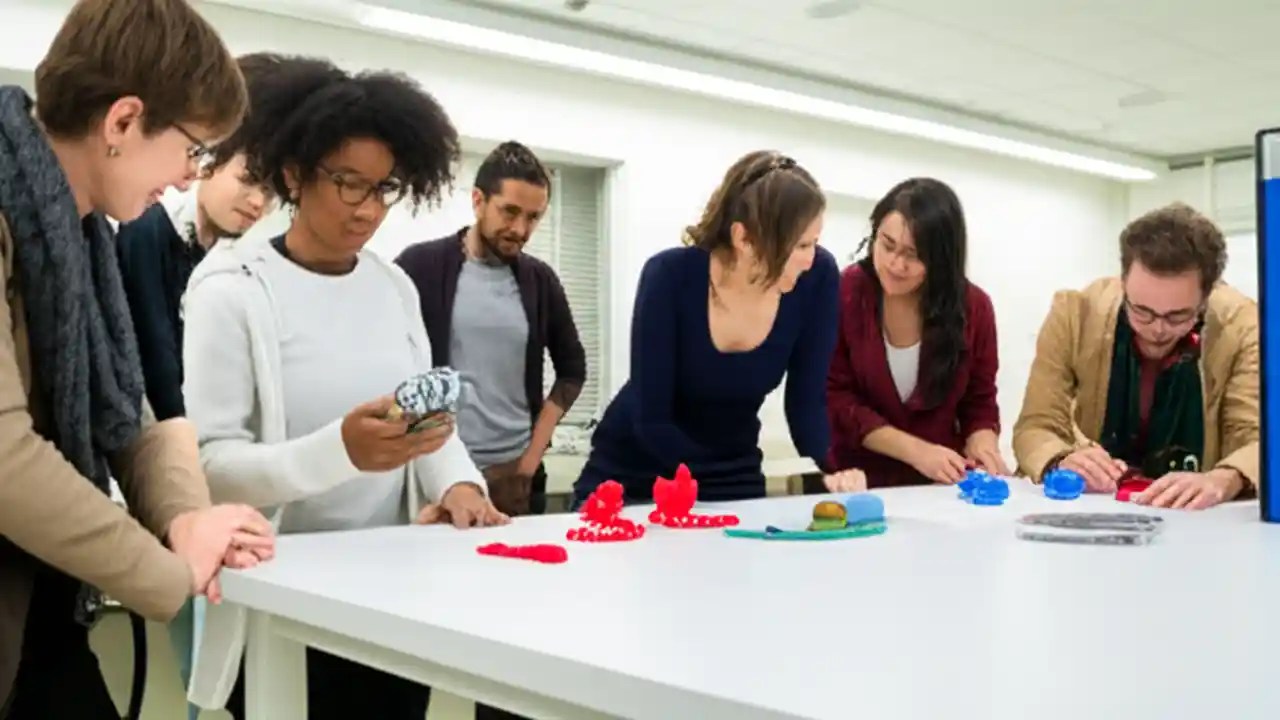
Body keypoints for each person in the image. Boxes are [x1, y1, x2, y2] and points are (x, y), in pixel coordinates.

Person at [181, 55, 508, 720]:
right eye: (348, 184)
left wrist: (460, 485)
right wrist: (344, 452)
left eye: (384, 188)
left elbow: (424, 421)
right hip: (281, 597)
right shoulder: (232, 289)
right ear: (295, 174)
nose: (368, 209)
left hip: (388, 597)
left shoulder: (394, 288)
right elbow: (210, 470)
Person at [0, 0, 275, 717]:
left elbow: (132, 411)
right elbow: (3, 457)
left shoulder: (84, 239)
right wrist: (167, 570)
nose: (188, 178)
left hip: (44, 616)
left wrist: (186, 517)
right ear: (122, 122)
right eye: (191, 148)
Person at [573, 150, 864, 506]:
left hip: (732, 471)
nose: (810, 257)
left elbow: (807, 403)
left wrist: (833, 466)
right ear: (744, 239)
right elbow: (652, 419)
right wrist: (708, 487)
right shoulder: (670, 277)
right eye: (800, 245)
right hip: (636, 469)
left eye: (814, 243)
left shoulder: (816, 278)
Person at [1013, 203, 1258, 509]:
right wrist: (1061, 458)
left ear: (1207, 296)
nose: (1157, 330)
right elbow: (1035, 425)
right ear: (1123, 279)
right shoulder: (1075, 314)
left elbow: (1258, 440)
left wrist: (1224, 479)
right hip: (1092, 509)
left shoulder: (1246, 327)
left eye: (1177, 317)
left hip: (1193, 519)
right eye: (1141, 311)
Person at [397, 141, 587, 519]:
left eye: (533, 217)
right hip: (437, 475)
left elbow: (572, 370)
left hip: (514, 480)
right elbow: (391, 368)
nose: (520, 229)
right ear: (478, 200)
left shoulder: (539, 281)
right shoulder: (419, 266)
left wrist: (529, 463)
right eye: (510, 212)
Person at [117, 52, 280, 423]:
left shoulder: (240, 260)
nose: (258, 202)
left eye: (271, 194)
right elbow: (158, 374)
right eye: (249, 179)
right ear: (211, 156)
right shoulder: (146, 230)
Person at [823, 178, 1004, 490]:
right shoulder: (844, 294)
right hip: (857, 484)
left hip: (942, 488)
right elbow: (836, 401)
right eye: (887, 244)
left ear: (942, 260)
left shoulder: (975, 308)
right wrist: (918, 452)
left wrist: (983, 445)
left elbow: (979, 401)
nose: (895, 264)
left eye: (914, 255)